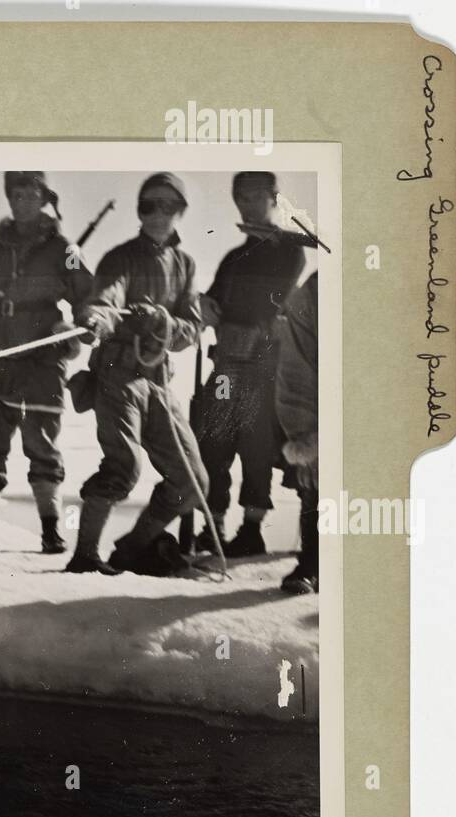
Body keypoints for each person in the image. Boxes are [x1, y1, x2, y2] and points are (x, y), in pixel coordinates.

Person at [0, 172, 93, 554]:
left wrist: (79, 326)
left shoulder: (65, 249)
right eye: (17, 195)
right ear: (9, 199)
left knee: (42, 444)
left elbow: (87, 296)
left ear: (44, 199)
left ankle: (51, 530)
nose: (23, 202)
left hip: (44, 358)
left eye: (31, 194)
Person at [68, 172, 204, 577]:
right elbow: (105, 298)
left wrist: (163, 321)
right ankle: (84, 557)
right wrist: (97, 319)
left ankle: (130, 550)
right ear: (139, 212)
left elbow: (191, 329)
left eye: (168, 205)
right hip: (117, 374)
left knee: (192, 481)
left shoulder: (186, 264)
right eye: (149, 205)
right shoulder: (120, 258)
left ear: (180, 211)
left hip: (158, 380)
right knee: (123, 467)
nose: (158, 213)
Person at [191, 173, 307, 557]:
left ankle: (252, 530)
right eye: (241, 197)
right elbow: (212, 302)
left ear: (274, 198)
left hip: (263, 369)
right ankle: (213, 527)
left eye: (255, 196)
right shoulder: (231, 259)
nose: (247, 205)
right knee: (215, 443)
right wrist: (203, 305)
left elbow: (277, 302)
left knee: (256, 446)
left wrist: (250, 330)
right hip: (226, 369)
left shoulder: (290, 251)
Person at [274, 271, 319, 594]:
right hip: (328, 408)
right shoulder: (313, 294)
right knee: (318, 482)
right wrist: (306, 441)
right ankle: (313, 562)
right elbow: (295, 372)